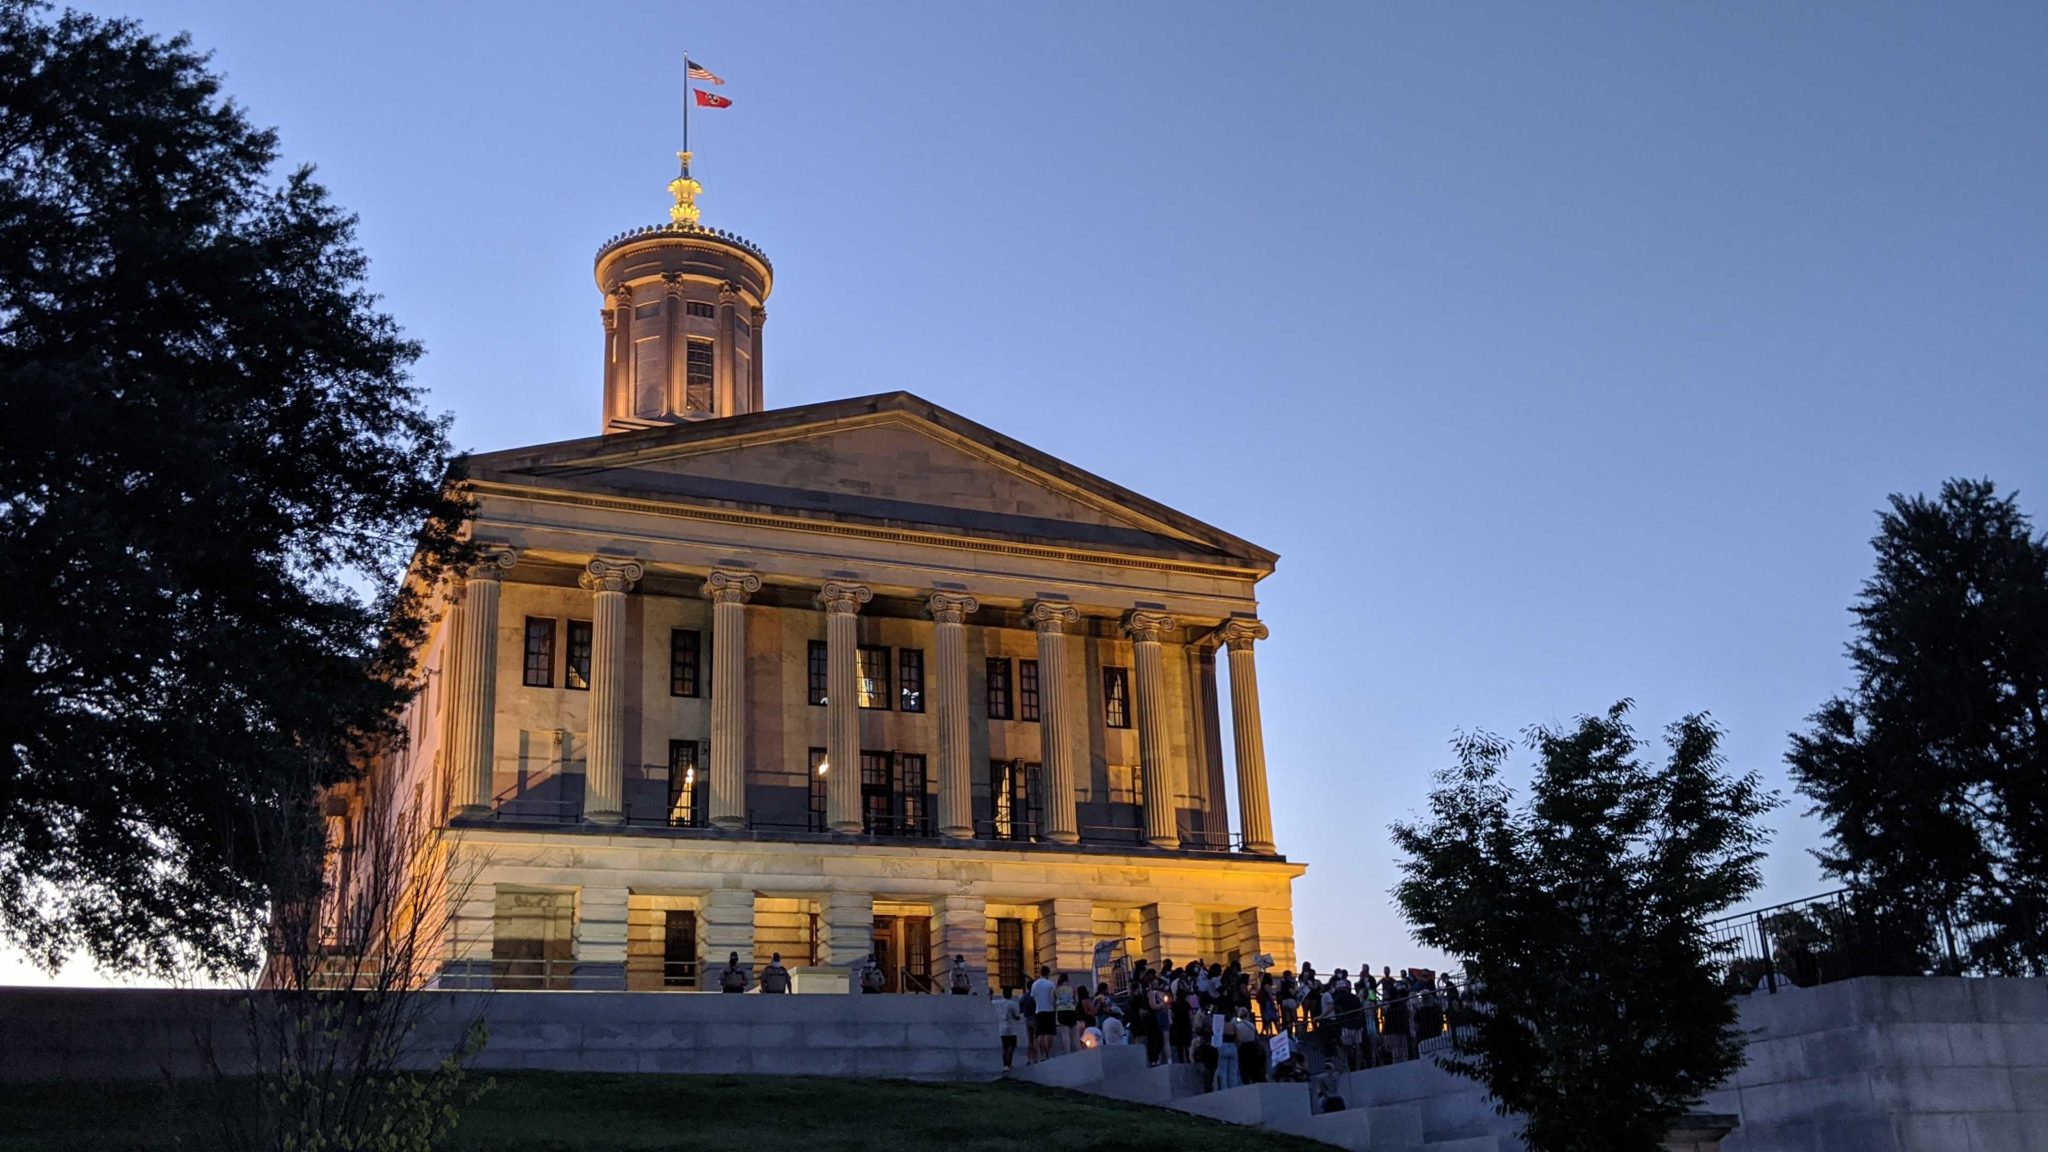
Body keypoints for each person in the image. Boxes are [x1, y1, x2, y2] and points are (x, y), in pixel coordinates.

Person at [1029, 965, 1058, 1063]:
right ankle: (1049, 1053)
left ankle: (1042, 1055)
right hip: (1049, 1010)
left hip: (1039, 1011)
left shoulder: (1035, 984)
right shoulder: (1051, 984)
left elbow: (1033, 996)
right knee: (1049, 1033)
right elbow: (1054, 997)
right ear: (1048, 973)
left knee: (1040, 1034)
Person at [995, 987, 1023, 1072]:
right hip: (1011, 1028)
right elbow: (1016, 1016)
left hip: (1002, 1028)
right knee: (1011, 1046)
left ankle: (1005, 1065)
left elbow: (990, 1001)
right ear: (1011, 994)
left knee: (1005, 1047)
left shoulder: (998, 1003)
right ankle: (1009, 1063)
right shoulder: (1012, 1004)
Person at [1053, 972, 1080, 1055]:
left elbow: (1053, 1002)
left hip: (1061, 1011)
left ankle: (1067, 1052)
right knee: (1075, 1033)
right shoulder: (1072, 988)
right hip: (1071, 1010)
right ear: (1067, 979)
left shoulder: (1056, 989)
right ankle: (1078, 1050)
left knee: (1065, 1033)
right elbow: (1076, 1001)